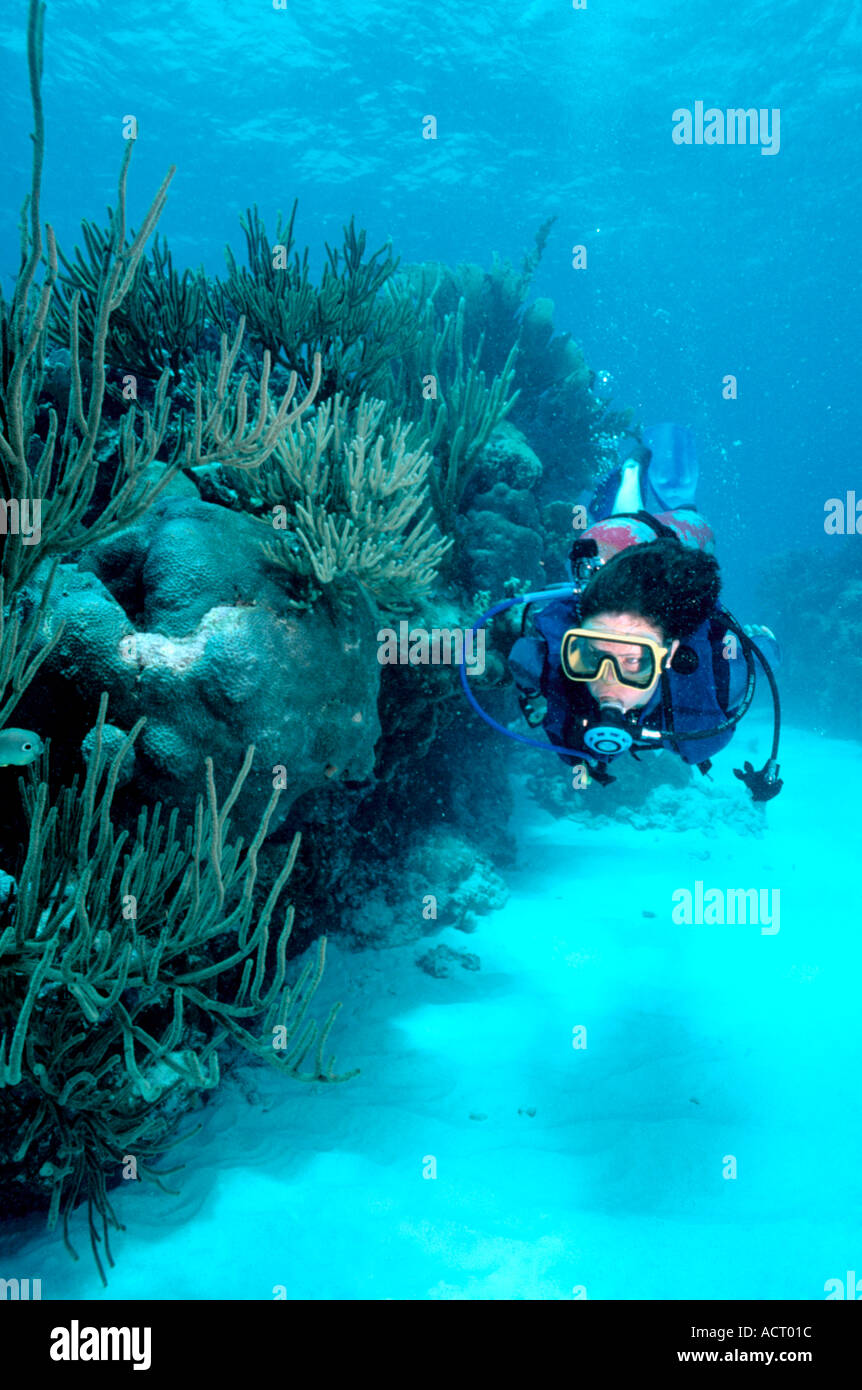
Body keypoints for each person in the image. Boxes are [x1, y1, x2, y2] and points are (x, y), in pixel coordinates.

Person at [506, 425, 783, 800]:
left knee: (660, 526)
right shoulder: (547, 668)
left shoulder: (719, 685)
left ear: (668, 656)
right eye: (592, 655)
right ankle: (633, 471)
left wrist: (743, 640)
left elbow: (766, 647)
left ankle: (657, 489)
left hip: (635, 552)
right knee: (618, 530)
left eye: (634, 661)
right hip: (613, 560)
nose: (608, 682)